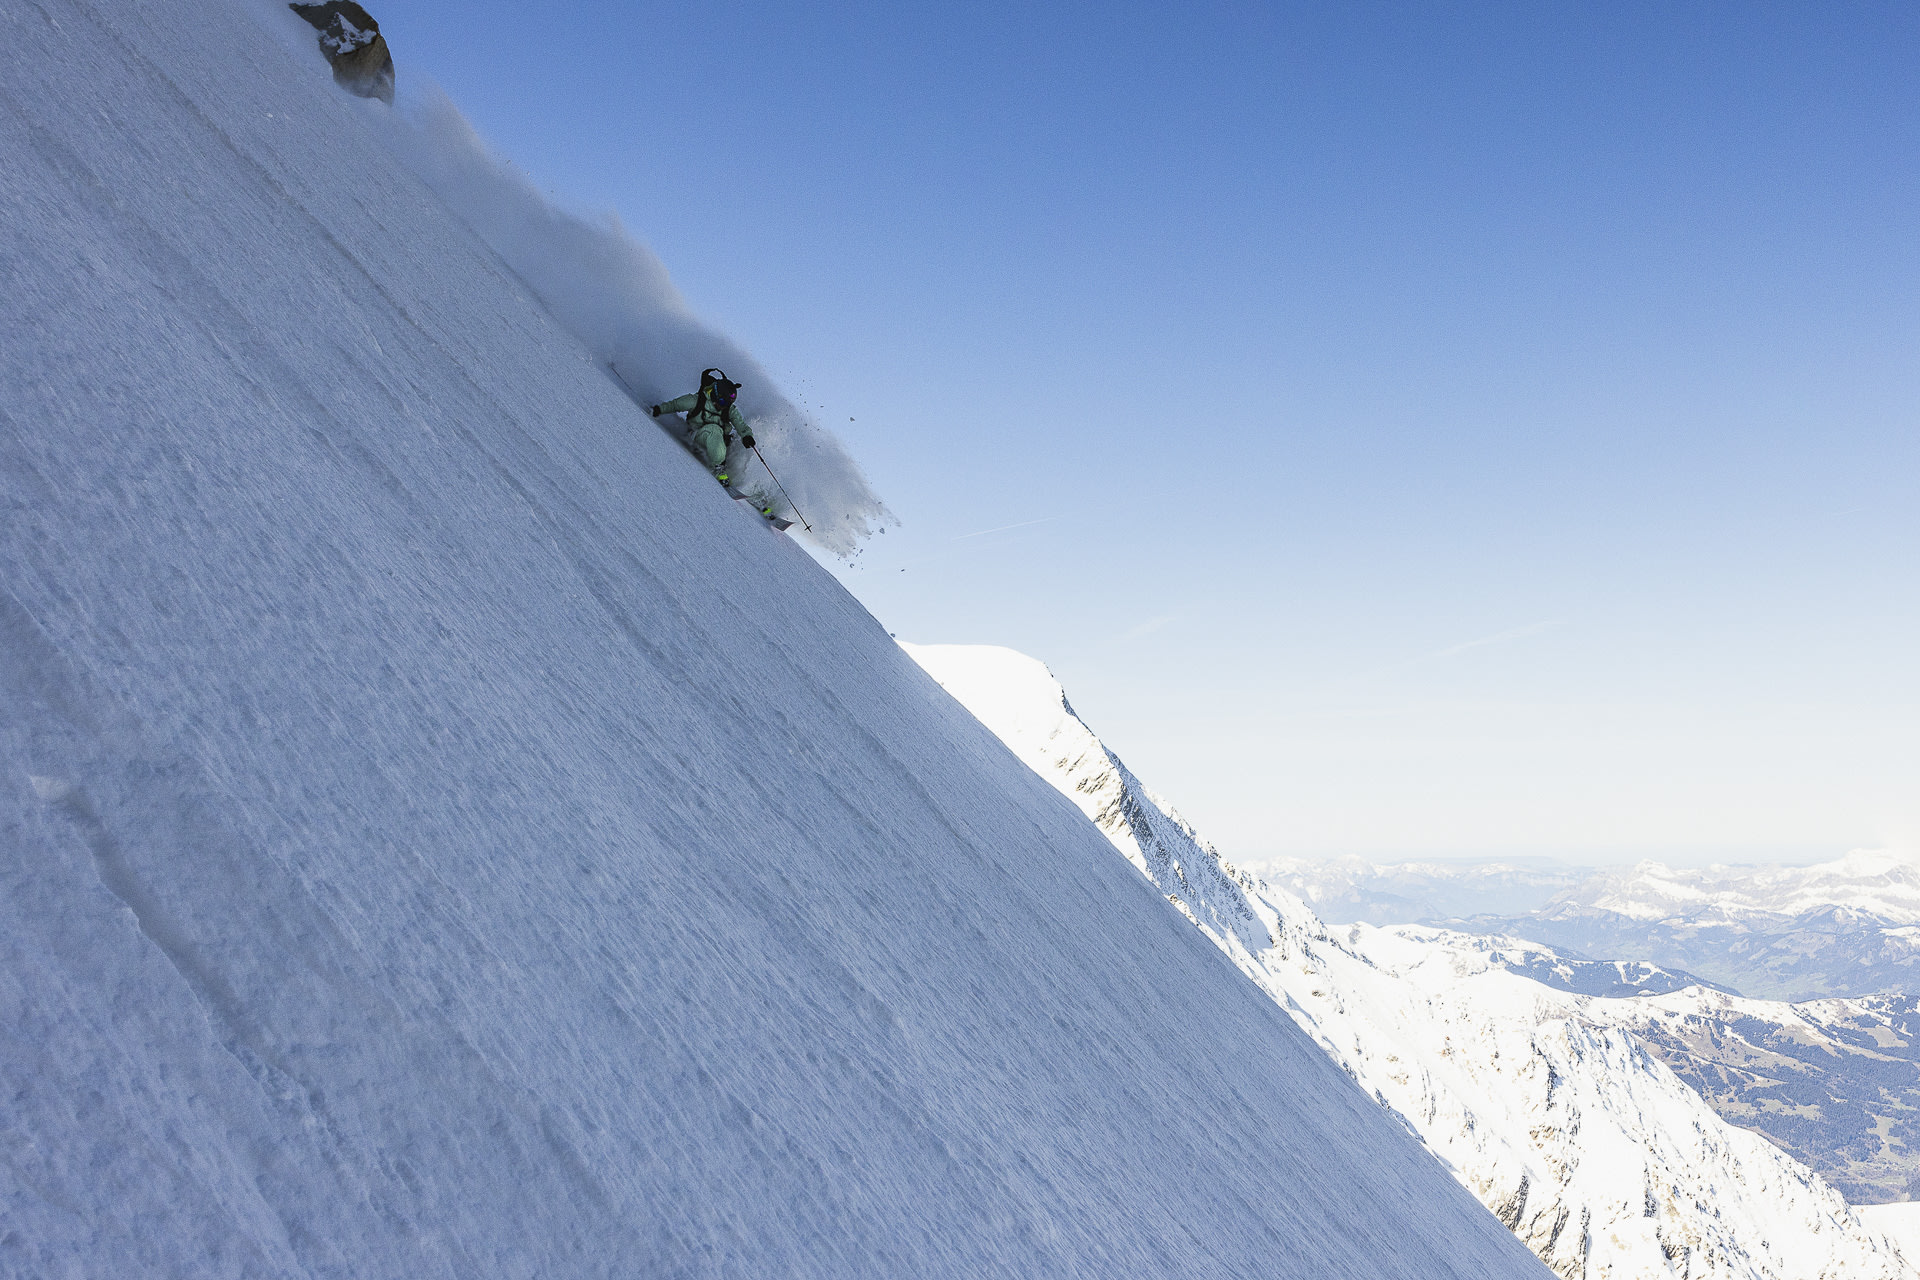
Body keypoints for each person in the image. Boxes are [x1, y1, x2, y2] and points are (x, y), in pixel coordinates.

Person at [650, 369, 756, 485]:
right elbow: (675, 405)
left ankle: (748, 483)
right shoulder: (697, 401)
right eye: (722, 402)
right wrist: (659, 409)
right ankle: (718, 468)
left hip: (718, 442)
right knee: (714, 430)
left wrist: (747, 436)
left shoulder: (729, 409)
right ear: (716, 394)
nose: (723, 406)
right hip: (697, 435)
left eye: (727, 404)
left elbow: (739, 423)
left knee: (731, 440)